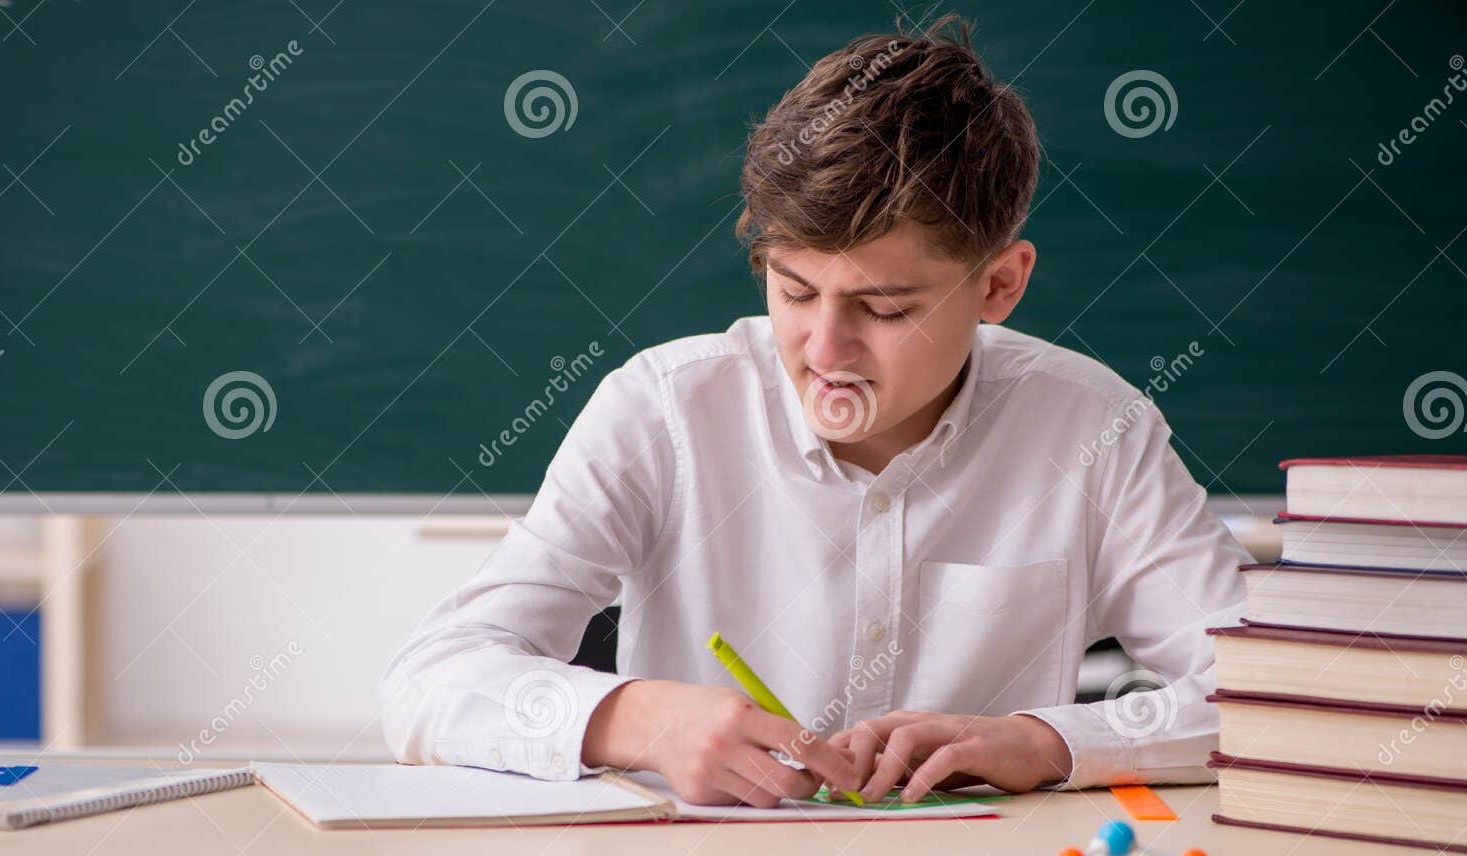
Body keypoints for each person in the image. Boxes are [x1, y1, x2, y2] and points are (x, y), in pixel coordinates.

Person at [381, 15, 1249, 807]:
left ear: (999, 285)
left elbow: (1273, 695)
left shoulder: (1093, 429)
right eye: (794, 291)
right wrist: (640, 721)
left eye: (884, 309)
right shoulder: (665, 410)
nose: (825, 351)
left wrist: (1045, 742)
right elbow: (430, 680)